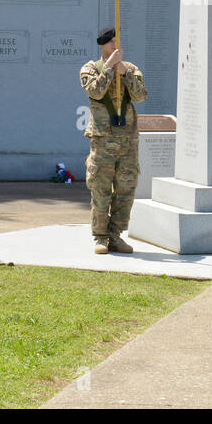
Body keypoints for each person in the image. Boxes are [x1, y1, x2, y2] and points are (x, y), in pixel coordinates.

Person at [79, 26, 147, 255]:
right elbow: (95, 92)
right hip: (103, 138)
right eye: (111, 44)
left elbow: (140, 95)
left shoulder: (130, 69)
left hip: (128, 140)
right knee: (100, 189)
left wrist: (124, 73)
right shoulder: (90, 68)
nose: (115, 47)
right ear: (102, 45)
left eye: (117, 43)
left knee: (126, 190)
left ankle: (116, 235)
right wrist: (109, 68)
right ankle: (100, 237)